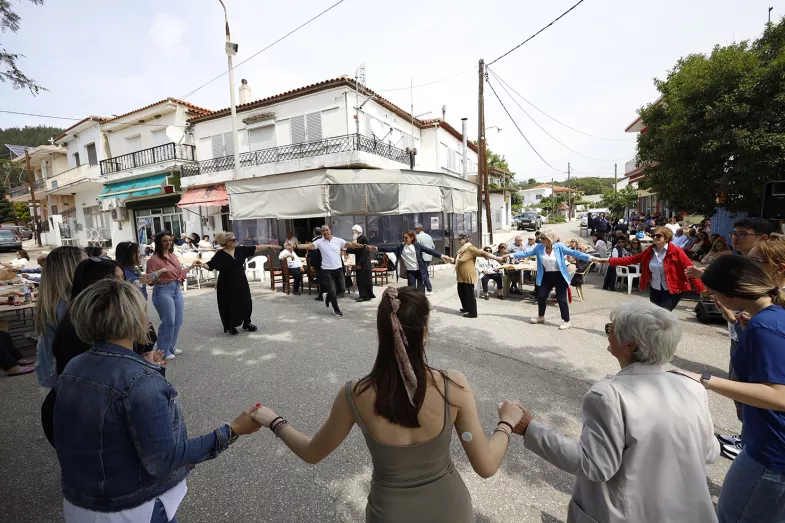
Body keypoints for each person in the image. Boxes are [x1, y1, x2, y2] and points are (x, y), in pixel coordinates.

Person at [249, 286, 523, 523]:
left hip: (390, 513)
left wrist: (274, 421)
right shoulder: (453, 385)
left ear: (381, 332)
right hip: (450, 509)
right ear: (424, 331)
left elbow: (312, 452)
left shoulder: (354, 394)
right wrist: (506, 423)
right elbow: (486, 466)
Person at [51, 278, 262, 523]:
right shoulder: (139, 382)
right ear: (131, 318)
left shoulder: (75, 365)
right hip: (133, 509)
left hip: (81, 503)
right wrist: (233, 430)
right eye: (143, 310)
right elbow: (164, 459)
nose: (147, 316)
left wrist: (146, 368)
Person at [514, 301, 720, 523]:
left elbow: (595, 465)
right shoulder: (692, 387)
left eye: (610, 329)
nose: (608, 333)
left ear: (630, 346)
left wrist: (529, 428)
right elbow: (711, 451)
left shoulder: (609, 395)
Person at [684, 256, 785, 523]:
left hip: (771, 450)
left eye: (714, 291)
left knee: (733, 516)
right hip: (765, 444)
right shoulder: (769, 317)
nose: (710, 295)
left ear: (732, 291)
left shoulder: (765, 327)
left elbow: (779, 396)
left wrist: (705, 379)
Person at [509, 230, 598, 329]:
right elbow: (526, 253)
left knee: (561, 299)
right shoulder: (539, 247)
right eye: (540, 238)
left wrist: (590, 257)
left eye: (543, 238)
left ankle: (566, 321)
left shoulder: (559, 247)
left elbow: (575, 253)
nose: (540, 240)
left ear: (549, 239)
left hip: (559, 276)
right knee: (541, 296)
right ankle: (541, 317)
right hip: (546, 275)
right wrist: (511, 255)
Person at [601, 226, 704, 311]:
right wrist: (608, 260)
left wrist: (701, 289)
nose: (655, 237)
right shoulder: (649, 251)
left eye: (658, 236)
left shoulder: (677, 251)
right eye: (653, 235)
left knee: (662, 315)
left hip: (672, 290)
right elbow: (630, 259)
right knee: (654, 316)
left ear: (666, 237)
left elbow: (691, 270)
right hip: (655, 289)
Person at [52, 258, 125, 375]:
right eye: (117, 279)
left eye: (123, 278)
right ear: (96, 282)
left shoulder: (105, 313)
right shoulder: (78, 324)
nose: (124, 284)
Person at [34, 246, 86, 399]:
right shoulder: (66, 304)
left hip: (49, 376)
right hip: (65, 380)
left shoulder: (52, 299)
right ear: (72, 268)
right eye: (84, 263)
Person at [204, 232, 280, 334]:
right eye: (233, 240)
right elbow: (210, 265)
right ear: (226, 242)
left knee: (246, 301)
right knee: (229, 303)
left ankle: (247, 323)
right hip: (226, 283)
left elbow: (256, 248)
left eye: (235, 239)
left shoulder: (240, 250)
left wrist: (269, 246)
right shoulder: (220, 255)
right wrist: (201, 265)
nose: (236, 241)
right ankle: (231, 325)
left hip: (240, 281)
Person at [298, 226, 366, 317]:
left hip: (338, 269)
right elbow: (307, 246)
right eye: (323, 231)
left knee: (342, 288)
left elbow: (351, 244)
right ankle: (336, 309)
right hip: (327, 271)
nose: (325, 232)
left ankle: (327, 296)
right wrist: (295, 246)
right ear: (322, 233)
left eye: (327, 230)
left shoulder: (338, 240)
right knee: (333, 291)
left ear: (330, 231)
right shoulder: (319, 242)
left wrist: (363, 246)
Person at [145, 233, 191, 359]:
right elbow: (149, 281)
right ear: (159, 243)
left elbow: (179, 273)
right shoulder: (154, 260)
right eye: (165, 241)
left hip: (176, 289)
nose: (168, 243)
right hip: (163, 290)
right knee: (168, 322)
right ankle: (162, 351)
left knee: (178, 321)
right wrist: (159, 273)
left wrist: (191, 266)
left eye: (170, 240)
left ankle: (170, 346)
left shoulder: (172, 255)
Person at [371, 231, 449, 293]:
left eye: (406, 237)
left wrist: (442, 256)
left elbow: (430, 251)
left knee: (421, 290)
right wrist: (377, 248)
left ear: (411, 238)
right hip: (410, 272)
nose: (404, 239)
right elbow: (389, 249)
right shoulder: (401, 247)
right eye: (403, 237)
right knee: (411, 290)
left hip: (420, 271)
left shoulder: (417, 246)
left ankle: (422, 305)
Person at [451, 232, 502, 318]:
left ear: (465, 240)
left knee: (469, 294)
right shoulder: (462, 250)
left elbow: (484, 253)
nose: (459, 241)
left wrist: (496, 258)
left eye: (460, 239)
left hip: (468, 275)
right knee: (461, 292)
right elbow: (456, 260)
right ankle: (466, 307)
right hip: (461, 276)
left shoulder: (471, 248)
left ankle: (473, 312)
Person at [348, 225, 375, 302]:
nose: (353, 233)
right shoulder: (359, 239)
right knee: (360, 279)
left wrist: (359, 263)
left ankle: (364, 296)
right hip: (361, 262)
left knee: (363, 280)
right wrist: (347, 250)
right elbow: (357, 250)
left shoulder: (363, 238)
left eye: (353, 231)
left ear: (356, 231)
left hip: (363, 263)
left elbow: (365, 252)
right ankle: (363, 295)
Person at [414, 223, 435, 296]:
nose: (415, 230)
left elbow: (416, 247)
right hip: (429, 257)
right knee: (424, 273)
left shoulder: (418, 237)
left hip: (422, 258)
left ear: (419, 229)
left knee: (422, 274)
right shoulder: (428, 236)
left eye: (415, 229)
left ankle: (429, 289)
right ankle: (426, 289)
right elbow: (433, 246)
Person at [307, 227, 324, 302]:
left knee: (321, 280)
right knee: (324, 279)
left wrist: (312, 264)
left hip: (319, 263)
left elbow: (314, 254)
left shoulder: (315, 241)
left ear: (314, 233)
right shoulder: (323, 239)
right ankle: (322, 295)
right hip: (325, 262)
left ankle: (322, 296)